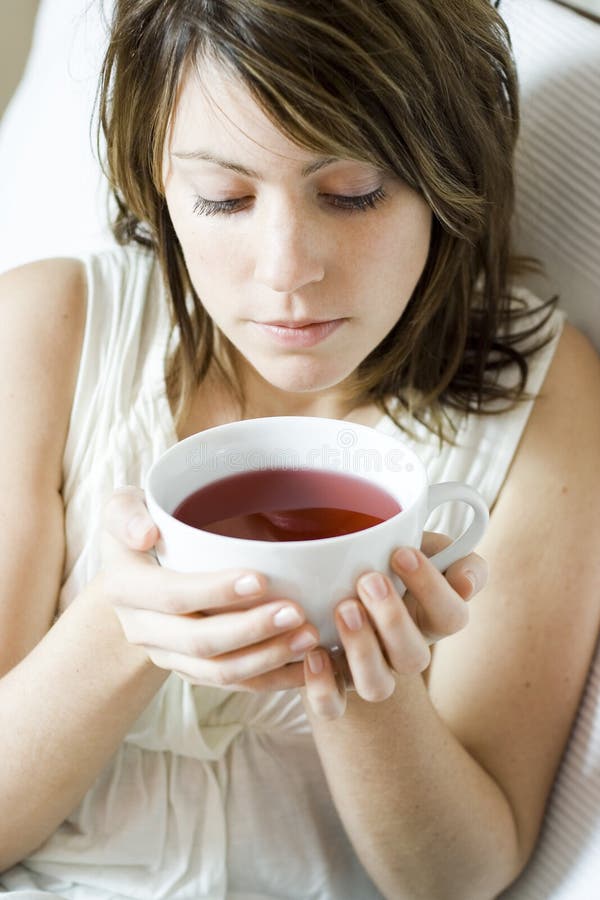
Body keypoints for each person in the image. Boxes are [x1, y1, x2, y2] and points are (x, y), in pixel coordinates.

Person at [0, 1, 598, 898]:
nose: (287, 269)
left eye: (353, 192)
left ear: (447, 175)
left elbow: (463, 879)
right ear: (157, 185)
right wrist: (123, 627)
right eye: (225, 199)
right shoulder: (45, 332)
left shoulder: (544, 395)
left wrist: (368, 685)